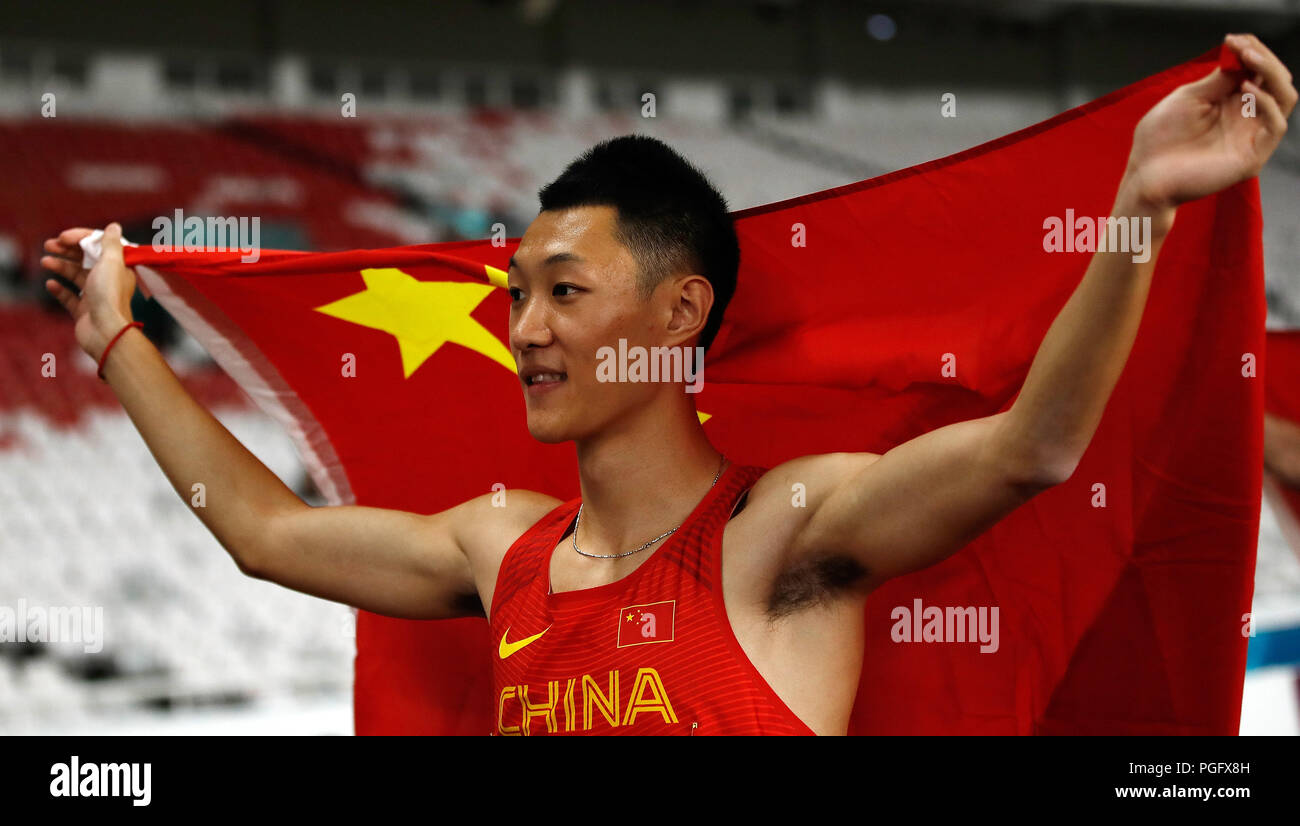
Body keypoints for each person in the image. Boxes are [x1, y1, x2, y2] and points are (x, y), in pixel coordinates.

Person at [40, 34, 1296, 735]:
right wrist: (118, 341)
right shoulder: (499, 548)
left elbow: (1033, 450)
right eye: (516, 291)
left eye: (565, 292)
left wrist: (1136, 206)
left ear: (680, 312)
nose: (522, 327)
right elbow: (266, 535)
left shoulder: (784, 536)